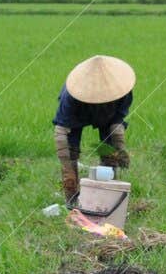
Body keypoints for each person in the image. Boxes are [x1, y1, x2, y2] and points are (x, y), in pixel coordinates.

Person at [52, 55, 133, 207]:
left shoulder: (122, 91)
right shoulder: (71, 96)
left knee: (110, 152)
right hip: (78, 113)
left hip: (108, 115)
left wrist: (120, 148)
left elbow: (117, 122)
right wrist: (67, 168)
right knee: (69, 154)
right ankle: (72, 201)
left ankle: (109, 193)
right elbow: (62, 131)